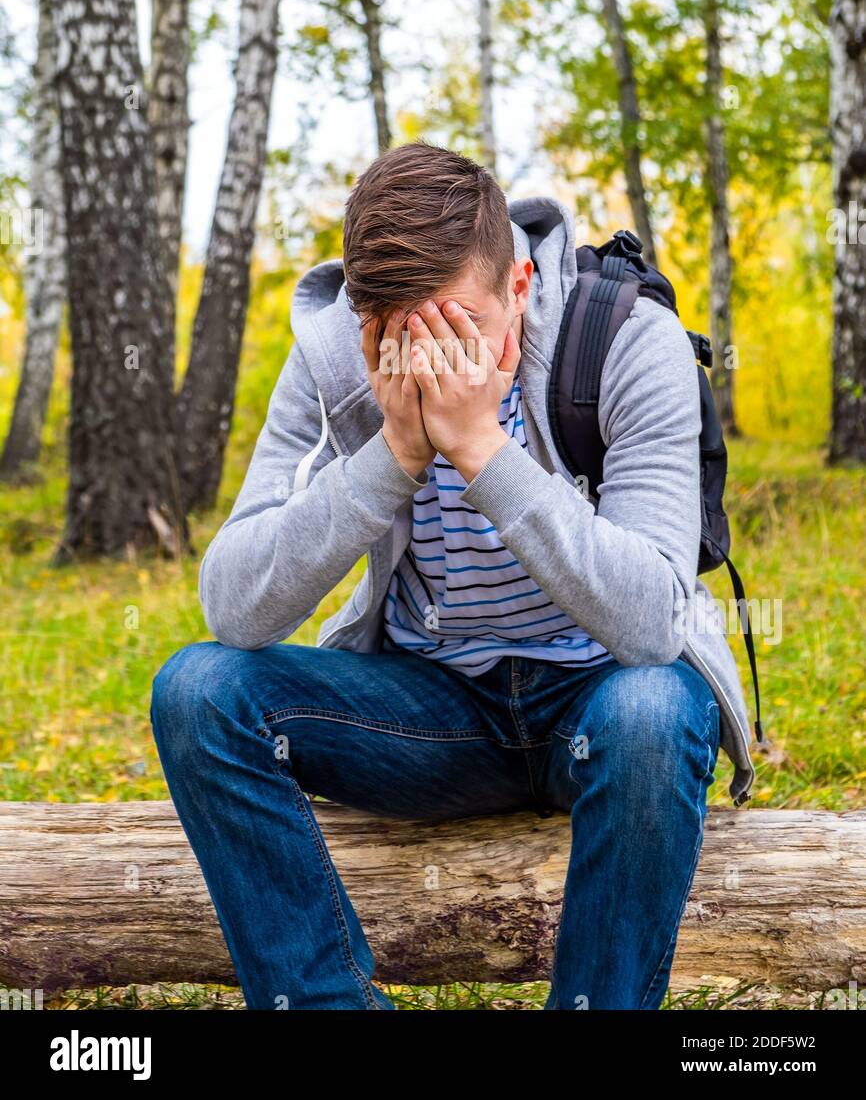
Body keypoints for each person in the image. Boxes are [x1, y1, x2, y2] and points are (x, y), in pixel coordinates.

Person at [150, 141, 756, 1010]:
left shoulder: (626, 338)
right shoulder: (335, 361)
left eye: (460, 328)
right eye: (406, 340)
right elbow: (236, 606)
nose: (437, 365)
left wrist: (481, 448)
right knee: (198, 689)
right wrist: (393, 453)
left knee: (656, 709)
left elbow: (655, 622)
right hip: (431, 712)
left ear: (516, 286)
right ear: (366, 323)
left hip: (602, 701)